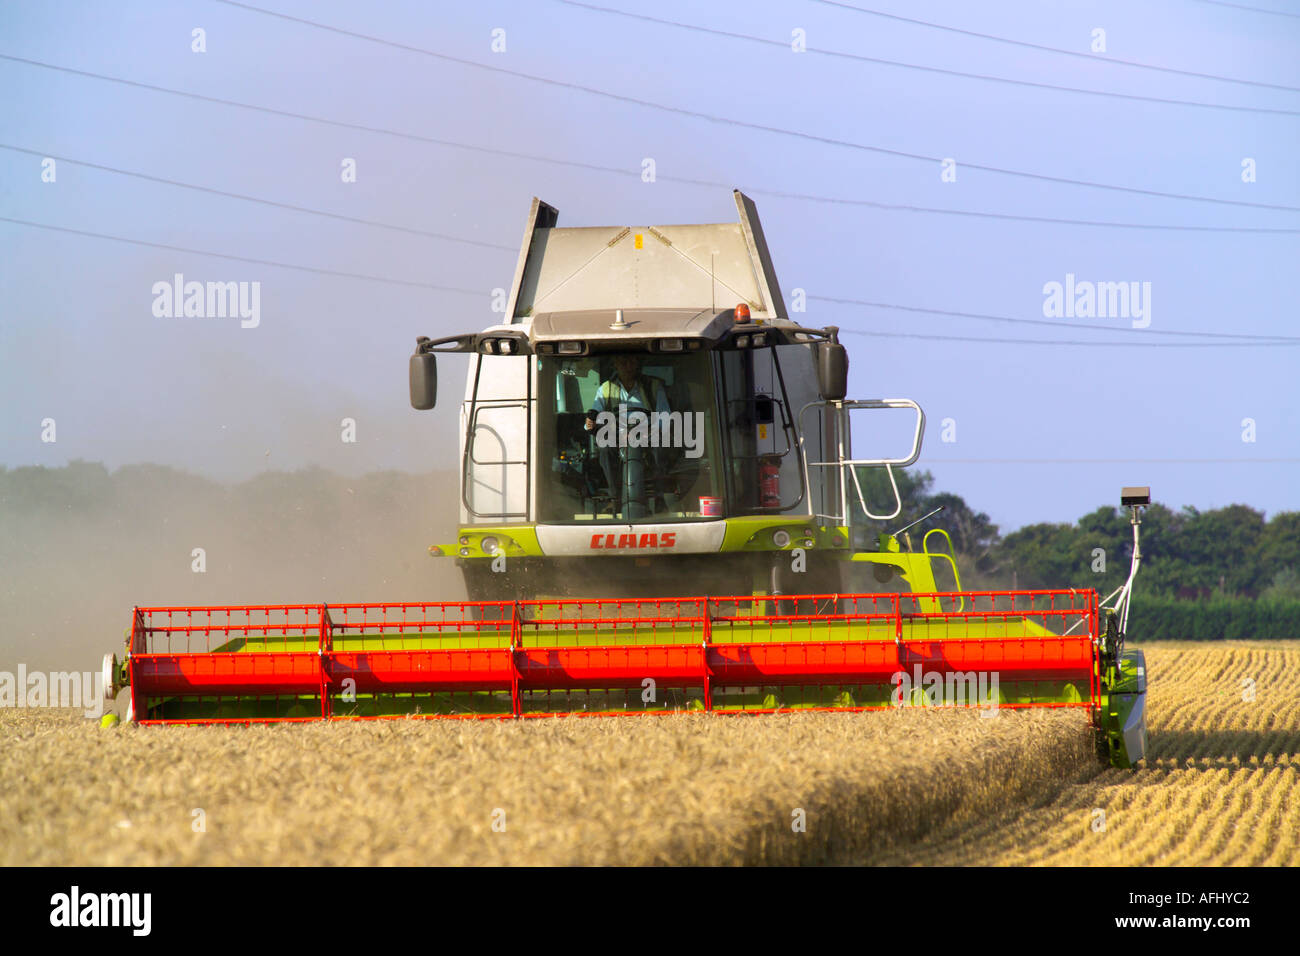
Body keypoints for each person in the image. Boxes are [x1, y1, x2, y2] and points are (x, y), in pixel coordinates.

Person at [584, 354, 673, 518]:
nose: (628, 365)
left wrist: (647, 431)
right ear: (615, 365)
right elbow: (593, 415)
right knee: (604, 448)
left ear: (638, 363)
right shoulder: (605, 389)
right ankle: (615, 497)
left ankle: (660, 496)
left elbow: (665, 418)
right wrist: (591, 422)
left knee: (661, 447)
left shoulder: (653, 386)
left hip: (648, 436)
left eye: (632, 360)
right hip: (618, 437)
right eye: (622, 361)